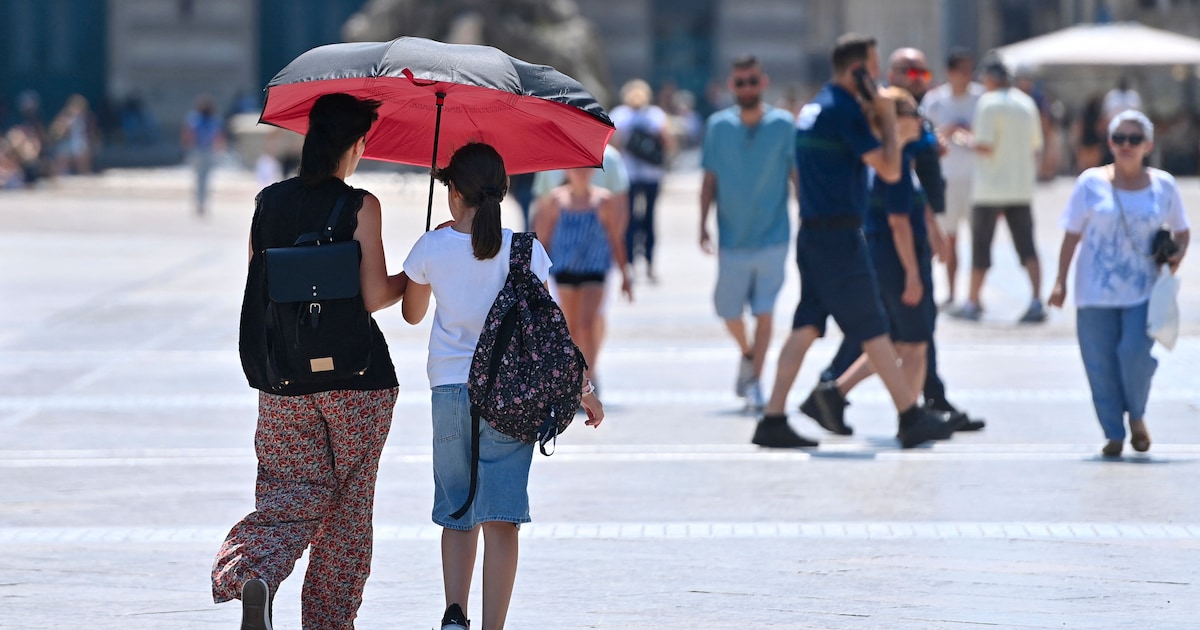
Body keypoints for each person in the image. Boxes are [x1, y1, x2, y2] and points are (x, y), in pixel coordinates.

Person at [213, 93, 408, 630]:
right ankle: (328, 623)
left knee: (287, 491)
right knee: (348, 510)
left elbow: (264, 283)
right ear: (355, 144)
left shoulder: (268, 203)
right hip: (358, 381)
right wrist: (414, 275)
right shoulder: (361, 205)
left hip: (284, 378)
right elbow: (372, 297)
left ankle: (256, 571)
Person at [401, 142, 606, 630]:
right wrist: (583, 389)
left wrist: (428, 257)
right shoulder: (525, 250)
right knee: (502, 518)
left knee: (457, 508)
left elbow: (411, 314)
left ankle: (455, 616)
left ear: (453, 194)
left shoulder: (433, 246)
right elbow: (551, 328)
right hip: (511, 393)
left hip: (450, 391)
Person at [754, 33, 953, 450]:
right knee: (875, 328)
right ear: (857, 70)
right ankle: (910, 416)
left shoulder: (815, 106)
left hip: (814, 232)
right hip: (839, 236)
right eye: (873, 68)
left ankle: (772, 418)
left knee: (806, 327)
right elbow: (890, 169)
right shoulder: (844, 110)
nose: (879, 77)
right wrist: (884, 115)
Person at [803, 87, 985, 436]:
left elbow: (913, 209)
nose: (921, 120)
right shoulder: (896, 162)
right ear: (893, 121)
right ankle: (912, 420)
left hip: (886, 256)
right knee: (915, 345)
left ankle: (833, 393)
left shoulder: (895, 157)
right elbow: (898, 223)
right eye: (913, 114)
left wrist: (932, 230)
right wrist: (914, 274)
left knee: (899, 342)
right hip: (896, 258)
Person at [1048, 110, 1190, 457]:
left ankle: (1137, 415)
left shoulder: (1164, 185)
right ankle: (1113, 431)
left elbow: (1183, 231)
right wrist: (1059, 282)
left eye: (1134, 139)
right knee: (1099, 363)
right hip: (1093, 291)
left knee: (1134, 355)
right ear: (1109, 142)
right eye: (1119, 138)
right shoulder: (1090, 183)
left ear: (1148, 145)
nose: (1126, 145)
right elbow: (1071, 235)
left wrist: (1175, 257)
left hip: (1143, 290)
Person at [699, 54, 796, 411]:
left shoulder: (785, 124)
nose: (747, 87)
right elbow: (709, 179)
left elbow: (796, 174)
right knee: (727, 310)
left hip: (775, 234)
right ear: (731, 86)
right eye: (740, 82)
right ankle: (750, 353)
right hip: (732, 237)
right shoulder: (717, 126)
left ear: (763, 82)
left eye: (752, 80)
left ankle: (756, 380)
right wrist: (701, 225)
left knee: (766, 310)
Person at [948, 57, 1046, 323]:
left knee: (981, 248)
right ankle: (1037, 300)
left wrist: (961, 138)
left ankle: (972, 302)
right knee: (1027, 247)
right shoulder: (1026, 103)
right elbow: (1036, 145)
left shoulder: (988, 103)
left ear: (990, 80)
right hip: (1020, 187)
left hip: (989, 188)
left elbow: (984, 145)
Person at [531, 141, 631, 382]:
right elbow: (541, 238)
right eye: (576, 168)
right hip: (563, 270)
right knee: (572, 328)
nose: (581, 173)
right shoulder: (556, 199)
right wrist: (534, 275)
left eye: (587, 168)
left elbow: (616, 237)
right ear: (567, 171)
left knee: (588, 323)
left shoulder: (603, 200)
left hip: (595, 270)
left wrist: (625, 274)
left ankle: (590, 375)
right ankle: (577, 378)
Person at [922, 49, 984, 306]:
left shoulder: (982, 97)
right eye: (962, 70)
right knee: (950, 238)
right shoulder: (935, 100)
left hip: (976, 177)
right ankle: (951, 292)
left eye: (970, 70)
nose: (967, 76)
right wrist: (944, 132)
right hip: (946, 177)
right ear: (951, 73)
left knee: (979, 240)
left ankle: (974, 295)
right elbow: (924, 135)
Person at [611, 79, 673, 283]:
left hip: (628, 174)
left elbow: (613, 145)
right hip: (651, 173)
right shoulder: (655, 115)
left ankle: (629, 263)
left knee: (628, 220)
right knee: (648, 219)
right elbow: (668, 142)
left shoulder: (620, 115)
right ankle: (648, 263)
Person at [181, 94, 226, 216]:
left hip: (205, 151)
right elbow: (189, 134)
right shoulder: (197, 119)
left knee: (203, 179)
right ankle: (200, 203)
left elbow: (218, 136)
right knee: (201, 179)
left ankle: (201, 203)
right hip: (200, 151)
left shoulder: (207, 119)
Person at [49, 94, 95, 176]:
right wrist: (65, 126)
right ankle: (59, 175)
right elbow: (56, 132)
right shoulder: (65, 116)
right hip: (67, 143)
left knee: (83, 153)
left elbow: (91, 133)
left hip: (80, 143)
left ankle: (84, 175)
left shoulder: (87, 117)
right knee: (63, 156)